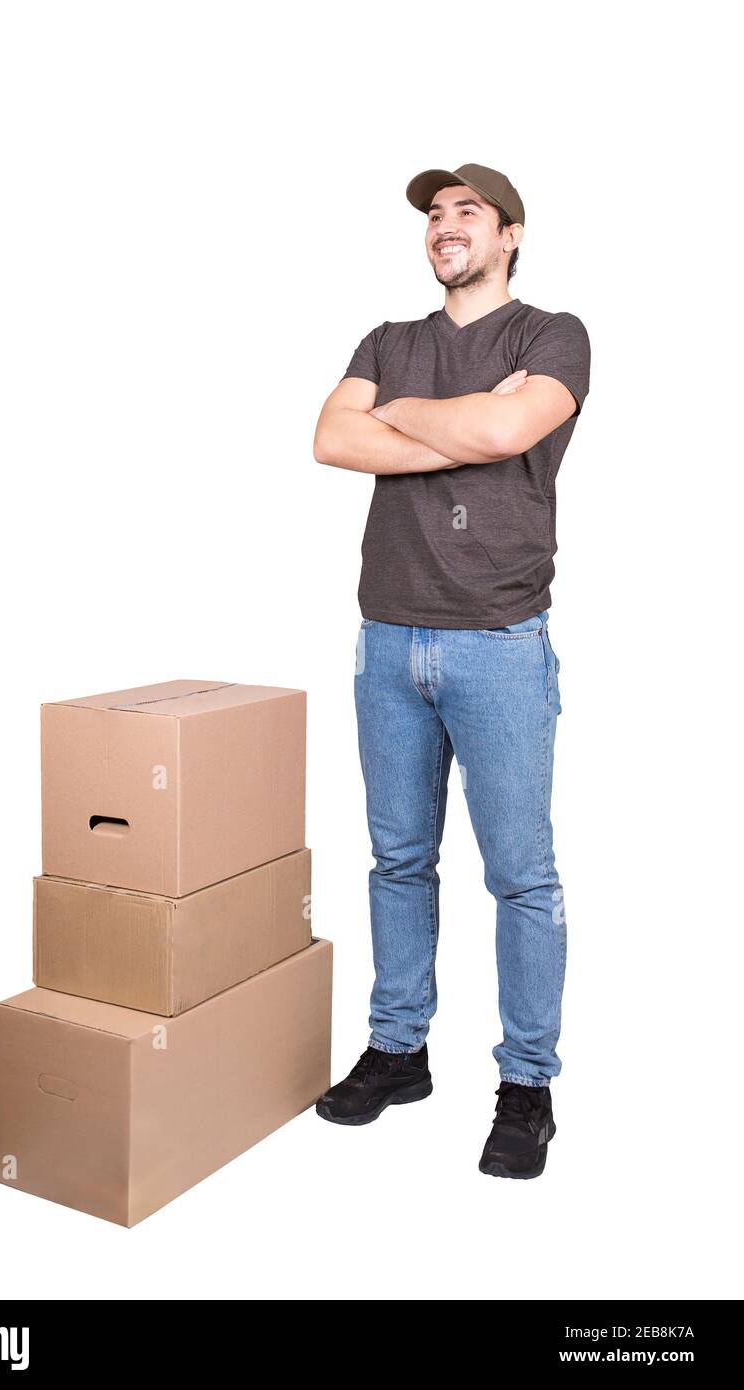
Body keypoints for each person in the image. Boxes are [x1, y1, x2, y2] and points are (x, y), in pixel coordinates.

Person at [312, 162, 591, 1179]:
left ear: (508, 234)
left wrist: (413, 421)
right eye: (432, 214)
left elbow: (509, 429)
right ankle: (398, 1049)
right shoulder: (386, 341)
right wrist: (466, 419)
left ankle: (525, 1083)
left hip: (497, 641)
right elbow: (329, 439)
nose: (442, 226)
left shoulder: (551, 335)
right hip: (386, 637)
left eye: (464, 211)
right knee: (395, 861)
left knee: (520, 876)